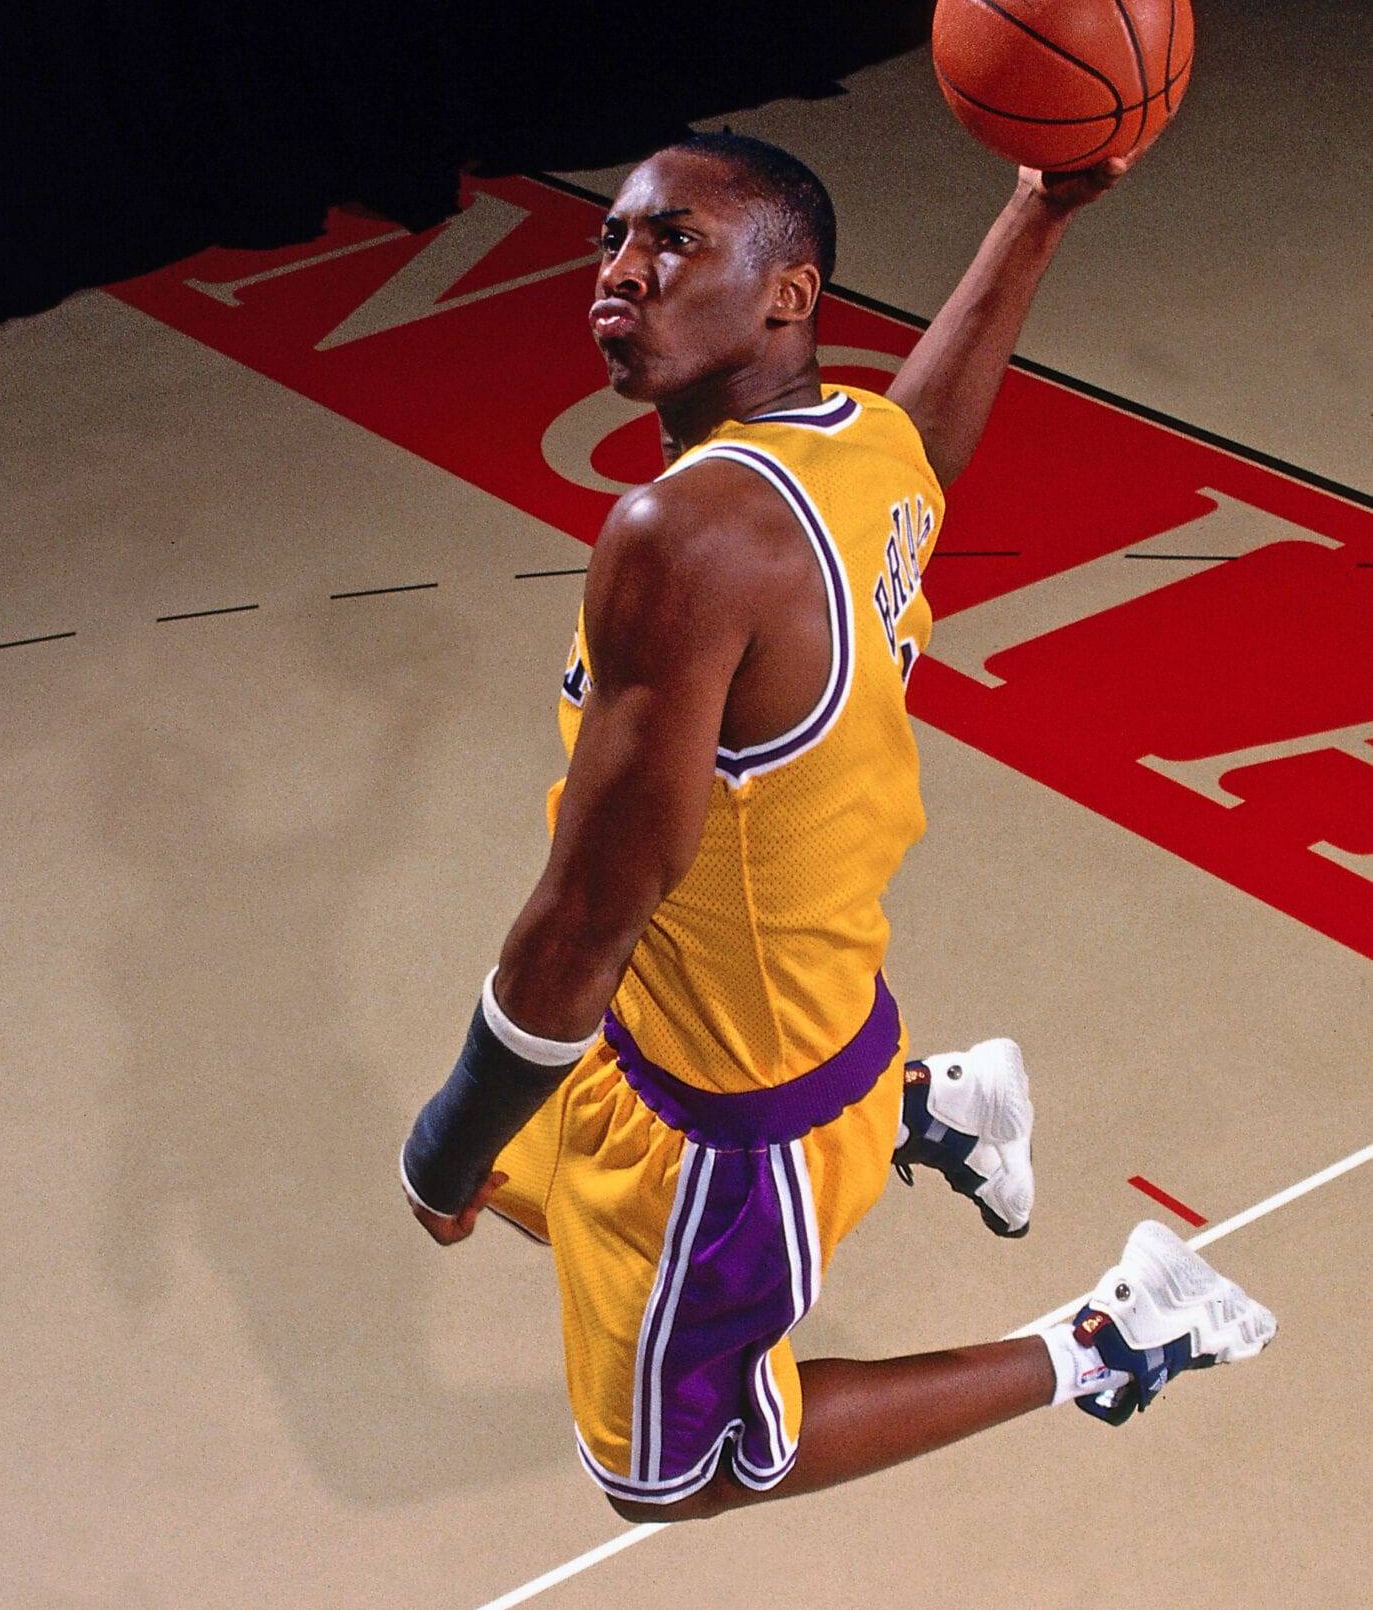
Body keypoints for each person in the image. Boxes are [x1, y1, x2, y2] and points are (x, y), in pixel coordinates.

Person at [401, 134, 1274, 1520]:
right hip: (775, 1010)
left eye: (670, 242)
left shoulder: (682, 536)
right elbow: (927, 442)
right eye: (610, 240)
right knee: (532, 1182)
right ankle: (937, 1105)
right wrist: (1038, 210)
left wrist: (439, 1145)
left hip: (729, 1123)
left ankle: (1113, 1335)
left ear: (788, 297)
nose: (618, 272)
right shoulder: (854, 445)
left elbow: (587, 915)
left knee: (674, 1473)